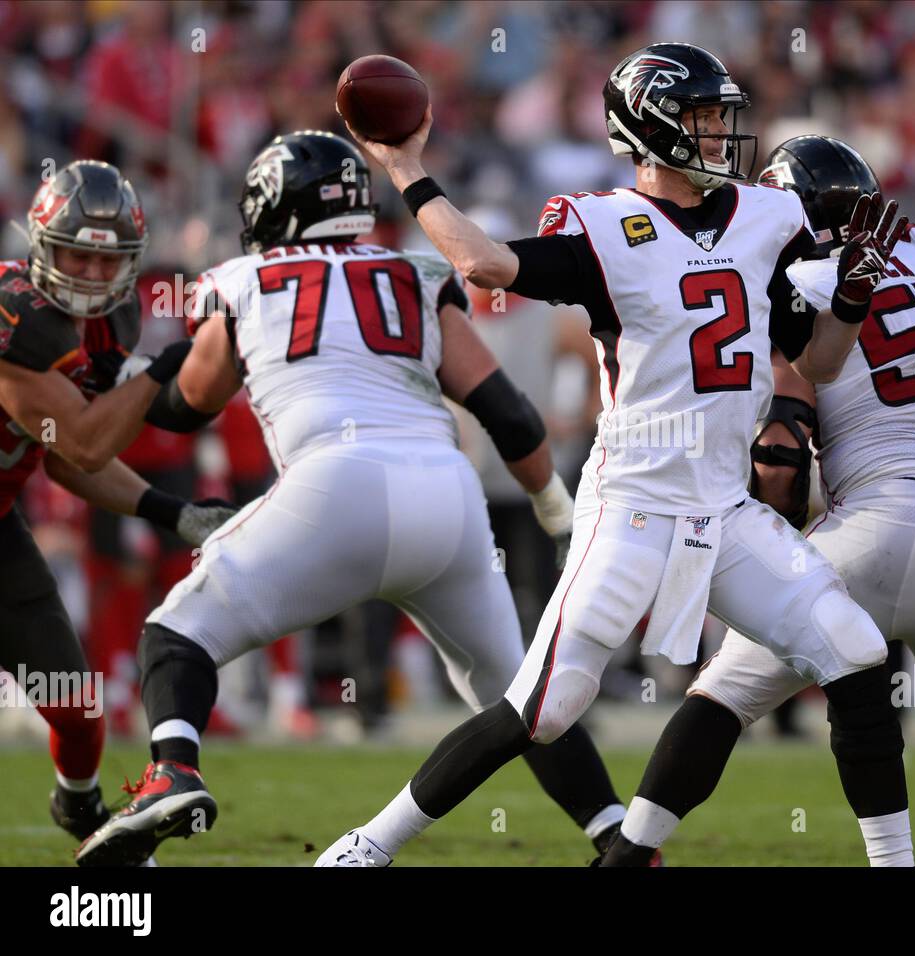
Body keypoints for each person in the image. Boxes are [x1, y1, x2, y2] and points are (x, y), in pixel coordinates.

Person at [319, 42, 913, 868]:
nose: (720, 135)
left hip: (725, 508)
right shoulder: (604, 225)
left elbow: (814, 363)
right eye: (703, 118)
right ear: (650, 125)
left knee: (853, 651)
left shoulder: (765, 218)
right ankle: (365, 847)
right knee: (545, 707)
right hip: (632, 501)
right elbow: (482, 262)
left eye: (720, 117)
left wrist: (851, 297)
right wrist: (405, 167)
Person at [75, 132, 627, 867]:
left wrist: (136, 375)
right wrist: (554, 506)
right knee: (521, 698)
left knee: (177, 634)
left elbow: (190, 405)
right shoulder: (414, 272)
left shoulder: (244, 278)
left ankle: (173, 770)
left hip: (331, 486)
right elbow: (511, 413)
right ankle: (619, 840)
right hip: (447, 495)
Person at [597, 135, 915, 867]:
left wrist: (771, 538)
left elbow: (781, 452)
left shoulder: (794, 277)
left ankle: (629, 852)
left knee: (722, 694)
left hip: (878, 524)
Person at [0, 160, 232, 852]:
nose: (95, 276)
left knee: (76, 705)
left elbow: (65, 455)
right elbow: (85, 439)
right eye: (79, 255)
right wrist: (168, 365)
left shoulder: (103, 327)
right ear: (43, 245)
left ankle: (78, 807)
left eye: (110, 261)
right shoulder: (20, 319)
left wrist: (170, 512)